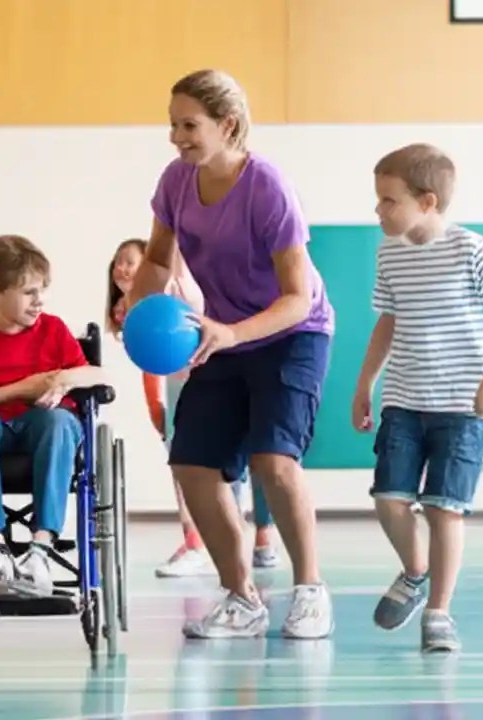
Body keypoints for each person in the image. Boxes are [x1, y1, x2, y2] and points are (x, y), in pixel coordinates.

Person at [128, 69, 335, 640]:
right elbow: (157, 260)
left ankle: (311, 589)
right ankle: (241, 597)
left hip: (291, 334)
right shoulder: (175, 182)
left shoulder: (266, 186)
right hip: (219, 332)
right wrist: (137, 309)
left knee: (274, 463)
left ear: (228, 124)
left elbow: (298, 298)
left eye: (189, 125)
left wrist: (234, 334)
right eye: (172, 124)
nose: (176, 136)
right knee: (192, 465)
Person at [352, 143, 483, 653]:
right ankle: (415, 569)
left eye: (388, 200)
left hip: (461, 406)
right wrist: (365, 384)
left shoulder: (469, 248)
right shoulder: (389, 253)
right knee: (389, 498)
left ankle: (439, 611)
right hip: (405, 399)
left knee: (445, 509)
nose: (378, 210)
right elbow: (387, 321)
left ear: (426, 201)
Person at [0, 234, 108, 598]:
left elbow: (97, 375)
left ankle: (40, 550)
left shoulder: (55, 329)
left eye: (41, 289)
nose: (39, 300)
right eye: (28, 292)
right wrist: (22, 387)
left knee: (62, 420)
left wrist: (63, 379)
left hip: (41, 431)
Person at [105, 239, 279, 576]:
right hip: (178, 382)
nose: (121, 268)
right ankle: (199, 541)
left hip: (216, 374)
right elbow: (149, 363)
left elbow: (182, 251)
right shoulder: (130, 309)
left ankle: (253, 537)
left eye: (130, 261)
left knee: (245, 463)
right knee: (186, 465)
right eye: (118, 261)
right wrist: (155, 406)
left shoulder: (176, 287)